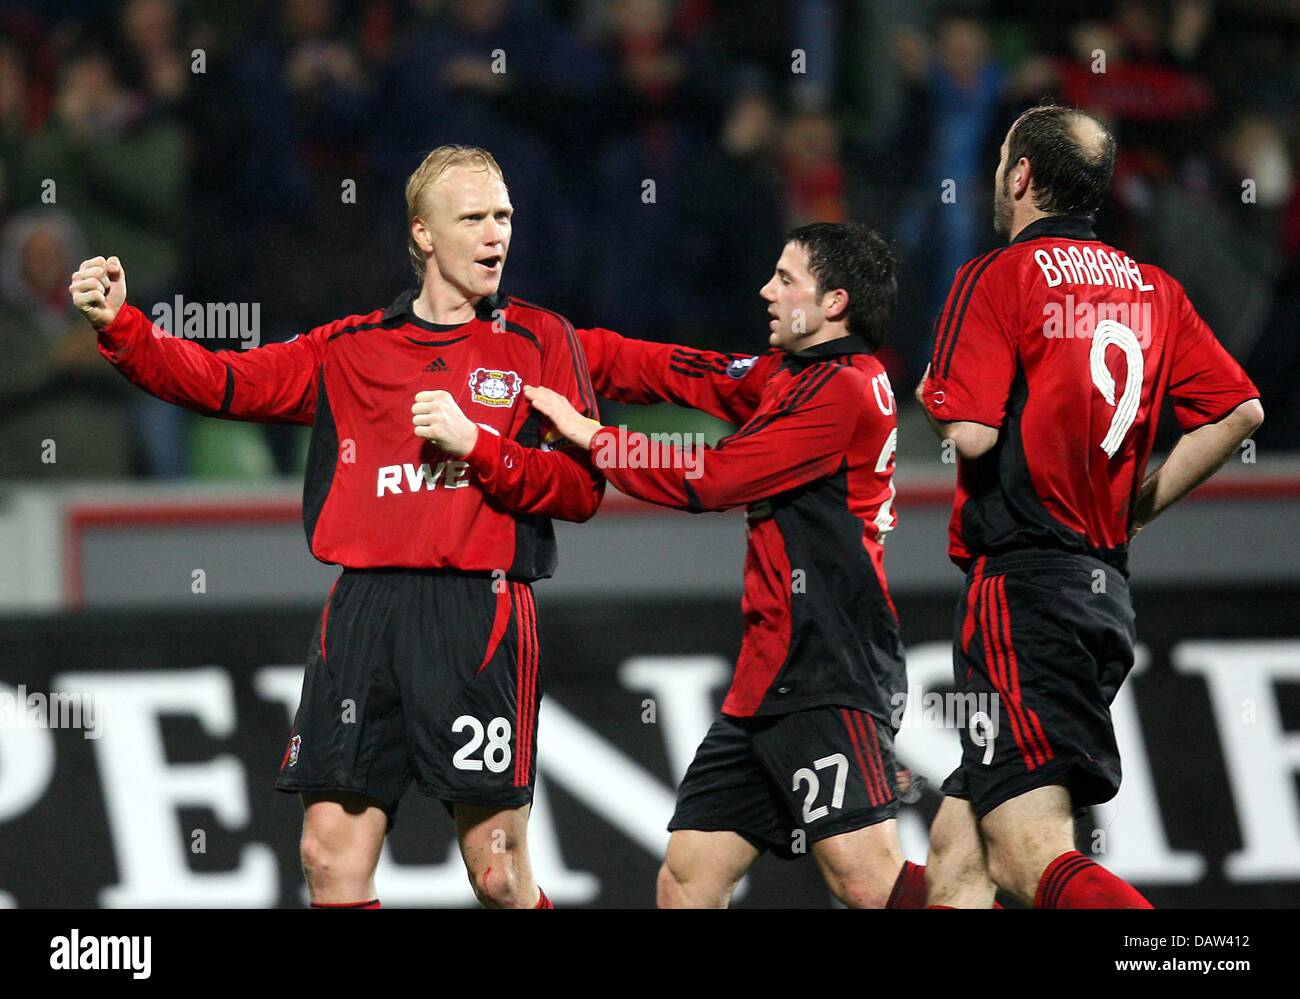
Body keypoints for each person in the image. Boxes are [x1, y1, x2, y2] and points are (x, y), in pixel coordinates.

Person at [68, 145, 603, 909]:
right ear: (422, 233)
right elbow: (224, 381)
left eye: (504, 216)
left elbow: (581, 488)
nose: (495, 234)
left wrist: (480, 447)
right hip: (361, 615)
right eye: (473, 218)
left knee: (497, 873)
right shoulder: (353, 348)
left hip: (477, 612)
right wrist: (125, 327)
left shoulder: (540, 340)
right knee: (326, 855)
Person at [915, 103, 1264, 909]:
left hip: (1023, 594)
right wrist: (1135, 510)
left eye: (1002, 160)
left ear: (1021, 175)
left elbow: (969, 434)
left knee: (1026, 855)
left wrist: (934, 392)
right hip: (1100, 594)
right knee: (958, 861)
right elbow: (1239, 412)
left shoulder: (998, 275)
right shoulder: (1152, 288)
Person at [527, 223, 928, 909]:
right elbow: (672, 369)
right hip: (769, 677)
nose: (766, 290)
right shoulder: (791, 376)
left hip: (829, 665)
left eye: (786, 279)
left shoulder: (843, 390)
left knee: (866, 881)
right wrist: (543, 341)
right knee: (689, 878)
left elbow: (713, 477)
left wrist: (592, 436)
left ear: (834, 302)